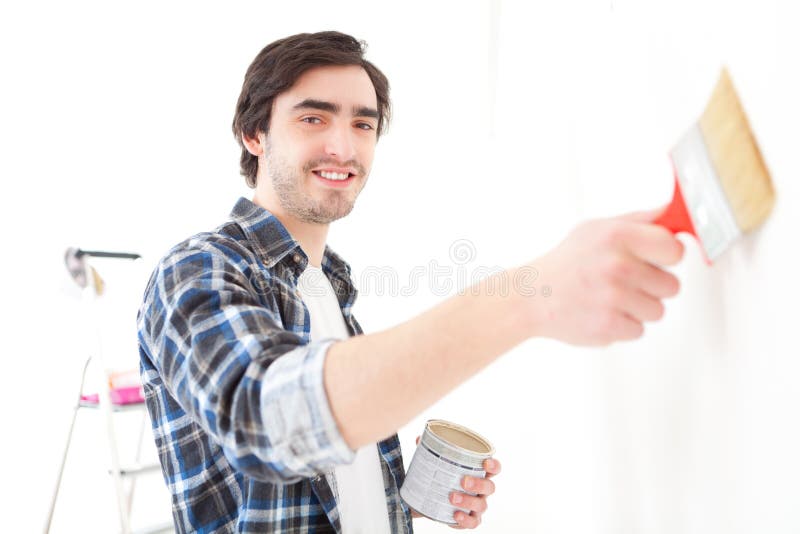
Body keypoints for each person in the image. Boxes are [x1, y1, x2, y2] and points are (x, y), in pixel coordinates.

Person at [137, 31, 684, 533]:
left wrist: (394, 494)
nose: (344, 148)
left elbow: (319, 466)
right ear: (254, 133)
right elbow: (269, 422)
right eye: (313, 119)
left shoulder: (327, 286)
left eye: (363, 124)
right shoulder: (197, 270)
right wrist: (523, 298)